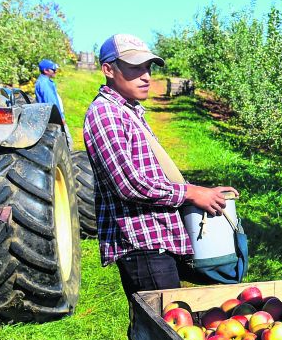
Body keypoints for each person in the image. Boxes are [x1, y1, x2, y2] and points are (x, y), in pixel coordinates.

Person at [83, 33, 236, 299]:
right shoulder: (106, 114)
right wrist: (191, 194)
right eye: (134, 68)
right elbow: (129, 184)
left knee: (156, 327)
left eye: (147, 68)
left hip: (155, 239)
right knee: (161, 327)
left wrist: (199, 190)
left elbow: (151, 173)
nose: (146, 76)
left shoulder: (127, 110)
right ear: (108, 69)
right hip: (140, 242)